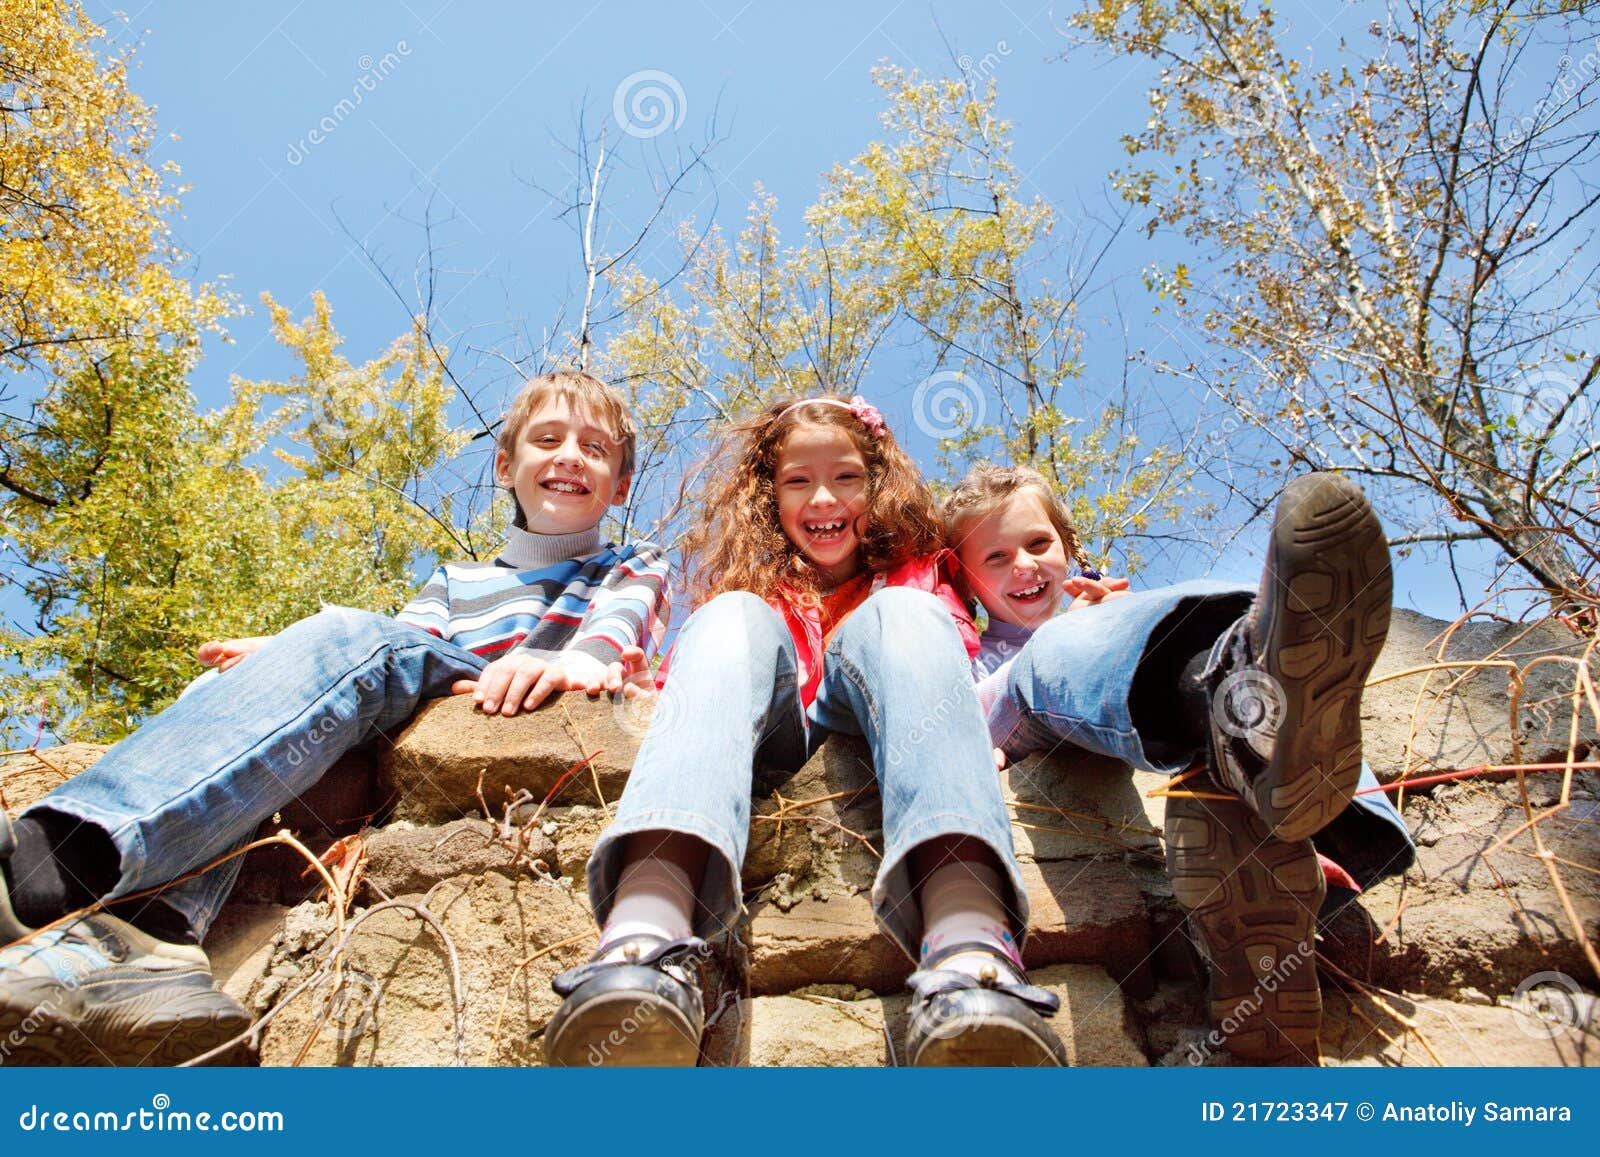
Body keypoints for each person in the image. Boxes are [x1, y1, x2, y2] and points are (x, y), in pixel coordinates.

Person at [0, 370, 670, 1066]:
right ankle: (141, 939)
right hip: (413, 694)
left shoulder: (630, 563)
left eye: (595, 448)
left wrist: (582, 657)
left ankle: (46, 867)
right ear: (506, 466)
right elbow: (389, 651)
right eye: (548, 439)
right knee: (226, 683)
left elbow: (613, 631)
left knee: (351, 634)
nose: (569, 456)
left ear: (620, 486)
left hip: (485, 701)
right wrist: (290, 661)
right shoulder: (454, 579)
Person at [543, 395, 1067, 1068]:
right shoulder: (755, 589)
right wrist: (654, 693)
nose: (824, 496)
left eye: (847, 476)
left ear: (877, 485)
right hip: (779, 734)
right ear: (769, 495)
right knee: (730, 615)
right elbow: (717, 680)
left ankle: (970, 953)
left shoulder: (919, 573)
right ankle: (645, 940)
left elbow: (987, 643)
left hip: (872, 714)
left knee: (905, 614)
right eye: (798, 480)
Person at [942, 464, 1416, 1064]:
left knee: (1198, 620)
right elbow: (976, 720)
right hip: (1039, 700)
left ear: (1069, 548)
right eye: (997, 558)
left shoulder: (1113, 613)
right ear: (965, 581)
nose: (1025, 566)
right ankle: (1249, 713)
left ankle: (1266, 915)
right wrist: (1087, 634)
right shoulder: (977, 655)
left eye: (1039, 544)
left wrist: (1120, 616)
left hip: (1197, 734)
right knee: (1057, 650)